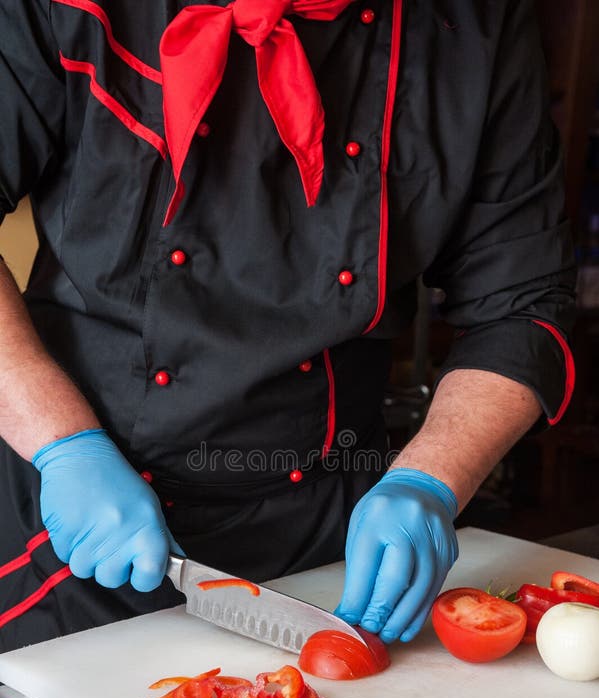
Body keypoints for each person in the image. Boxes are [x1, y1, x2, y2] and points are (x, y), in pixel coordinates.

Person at [0, 0, 576, 653]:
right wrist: (65, 448)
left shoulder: (474, 25)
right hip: (75, 514)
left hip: (336, 541)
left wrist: (430, 479)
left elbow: (521, 299)